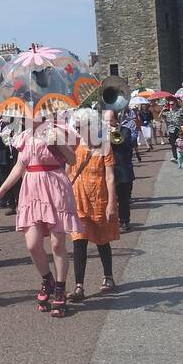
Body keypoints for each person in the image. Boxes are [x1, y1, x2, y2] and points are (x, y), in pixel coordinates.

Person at [0, 113, 81, 317]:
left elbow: (73, 159)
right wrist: (1, 190)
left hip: (55, 185)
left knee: (57, 244)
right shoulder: (24, 136)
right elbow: (20, 167)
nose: (27, 116)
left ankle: (60, 287)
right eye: (25, 114)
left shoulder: (58, 130)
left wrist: (57, 141)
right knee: (32, 244)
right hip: (31, 189)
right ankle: (47, 279)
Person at [67, 112, 119, 300]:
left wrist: (112, 202)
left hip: (99, 198)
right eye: (77, 127)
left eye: (81, 127)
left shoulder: (104, 145)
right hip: (78, 198)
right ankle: (79, 286)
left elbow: (110, 176)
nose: (78, 130)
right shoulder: (73, 145)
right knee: (78, 240)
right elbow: (67, 170)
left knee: (101, 239)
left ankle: (108, 276)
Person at [106, 109, 135, 232]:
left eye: (110, 120)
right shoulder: (100, 133)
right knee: (108, 198)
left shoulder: (125, 131)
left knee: (123, 198)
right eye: (106, 121)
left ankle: (124, 221)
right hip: (107, 170)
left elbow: (127, 145)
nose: (108, 123)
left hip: (122, 169)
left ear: (116, 120)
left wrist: (114, 134)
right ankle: (110, 222)